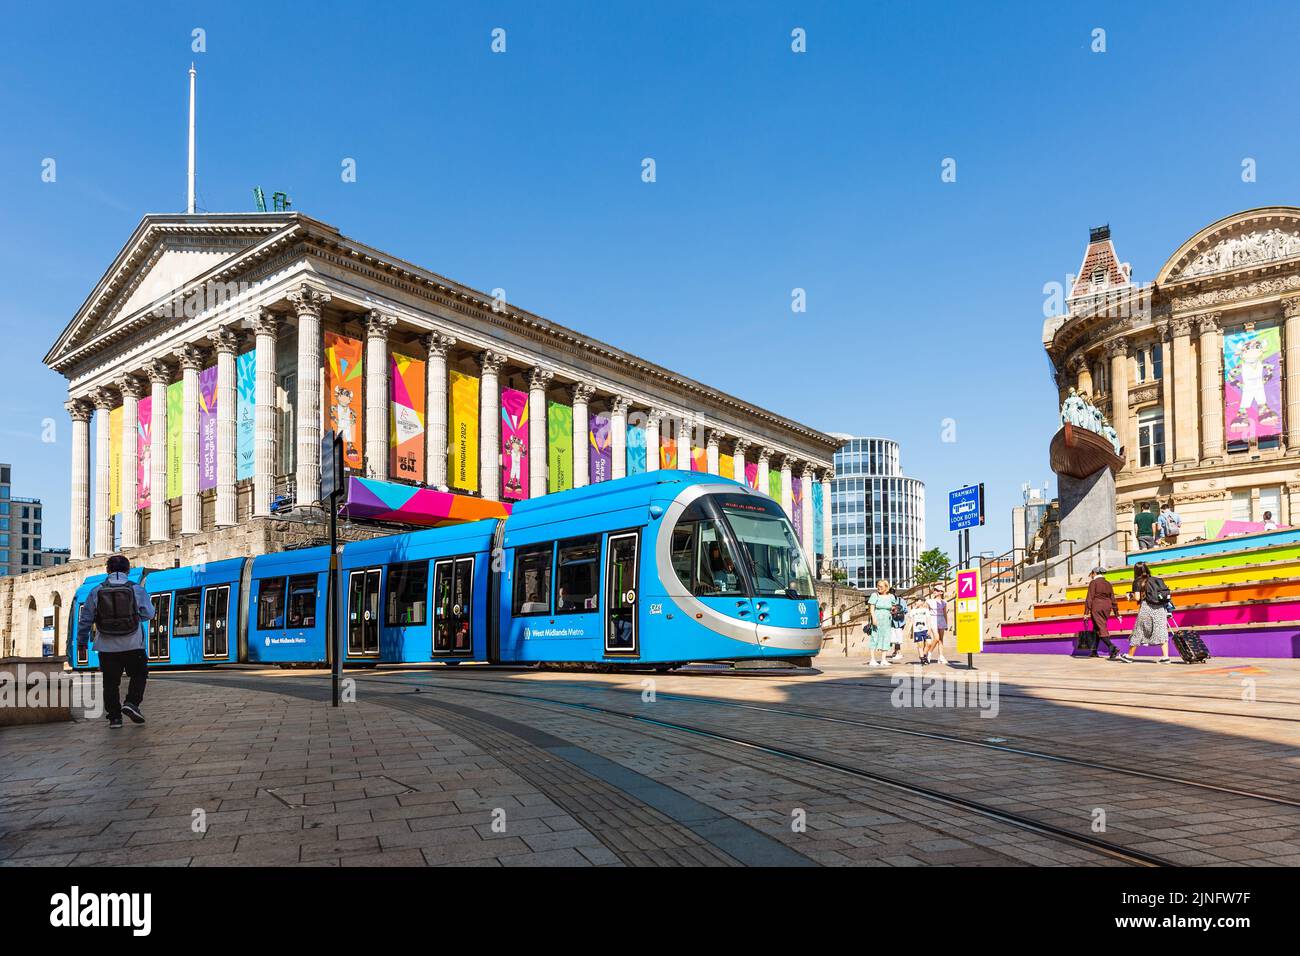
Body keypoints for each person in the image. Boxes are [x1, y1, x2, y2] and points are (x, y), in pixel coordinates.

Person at [76, 554, 155, 729]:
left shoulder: (96, 591)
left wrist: (82, 643)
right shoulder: (136, 589)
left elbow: (86, 619)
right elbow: (149, 614)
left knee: (110, 682)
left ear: (108, 570)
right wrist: (135, 617)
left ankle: (114, 718)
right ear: (128, 570)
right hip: (133, 643)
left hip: (106, 645)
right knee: (139, 674)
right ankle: (132, 703)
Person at [1125, 561, 1171, 663]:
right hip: (1160, 608)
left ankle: (1129, 656)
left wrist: (1130, 597)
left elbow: (1137, 597)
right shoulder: (1155, 580)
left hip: (1147, 608)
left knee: (1139, 630)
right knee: (1161, 631)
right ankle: (1166, 657)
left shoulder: (1137, 581)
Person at [1082, 566, 1120, 660]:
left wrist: (1086, 612)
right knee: (1096, 628)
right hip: (1107, 607)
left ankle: (1112, 648)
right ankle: (1094, 651)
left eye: (1091, 573)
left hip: (1097, 607)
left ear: (1094, 573)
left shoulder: (1093, 583)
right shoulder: (1108, 583)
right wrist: (1116, 613)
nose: (1091, 575)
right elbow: (1113, 599)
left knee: (1101, 628)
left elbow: (1089, 598)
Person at [865, 579, 896, 667]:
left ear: (886, 587)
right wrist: (874, 618)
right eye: (878, 586)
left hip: (887, 618)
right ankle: (872, 659)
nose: (879, 588)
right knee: (874, 637)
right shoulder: (875, 595)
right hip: (877, 617)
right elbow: (871, 608)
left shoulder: (891, 597)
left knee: (886, 637)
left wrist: (894, 611)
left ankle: (883, 659)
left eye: (881, 586)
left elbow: (893, 607)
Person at [925, 585, 949, 665]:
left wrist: (946, 623)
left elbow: (945, 613)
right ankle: (929, 653)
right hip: (932, 619)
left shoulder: (944, 602)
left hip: (941, 619)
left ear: (941, 592)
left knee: (941, 639)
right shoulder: (929, 601)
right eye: (934, 590)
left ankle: (941, 656)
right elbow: (926, 613)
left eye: (937, 590)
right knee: (936, 638)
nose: (935, 591)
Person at [906, 596, 933, 664]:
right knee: (920, 645)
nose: (916, 602)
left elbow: (929, 621)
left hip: (925, 629)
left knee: (929, 643)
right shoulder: (913, 611)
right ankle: (922, 659)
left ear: (922, 602)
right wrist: (908, 630)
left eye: (918, 600)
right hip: (917, 630)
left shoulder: (926, 610)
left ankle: (923, 655)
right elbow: (911, 621)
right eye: (916, 601)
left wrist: (929, 629)